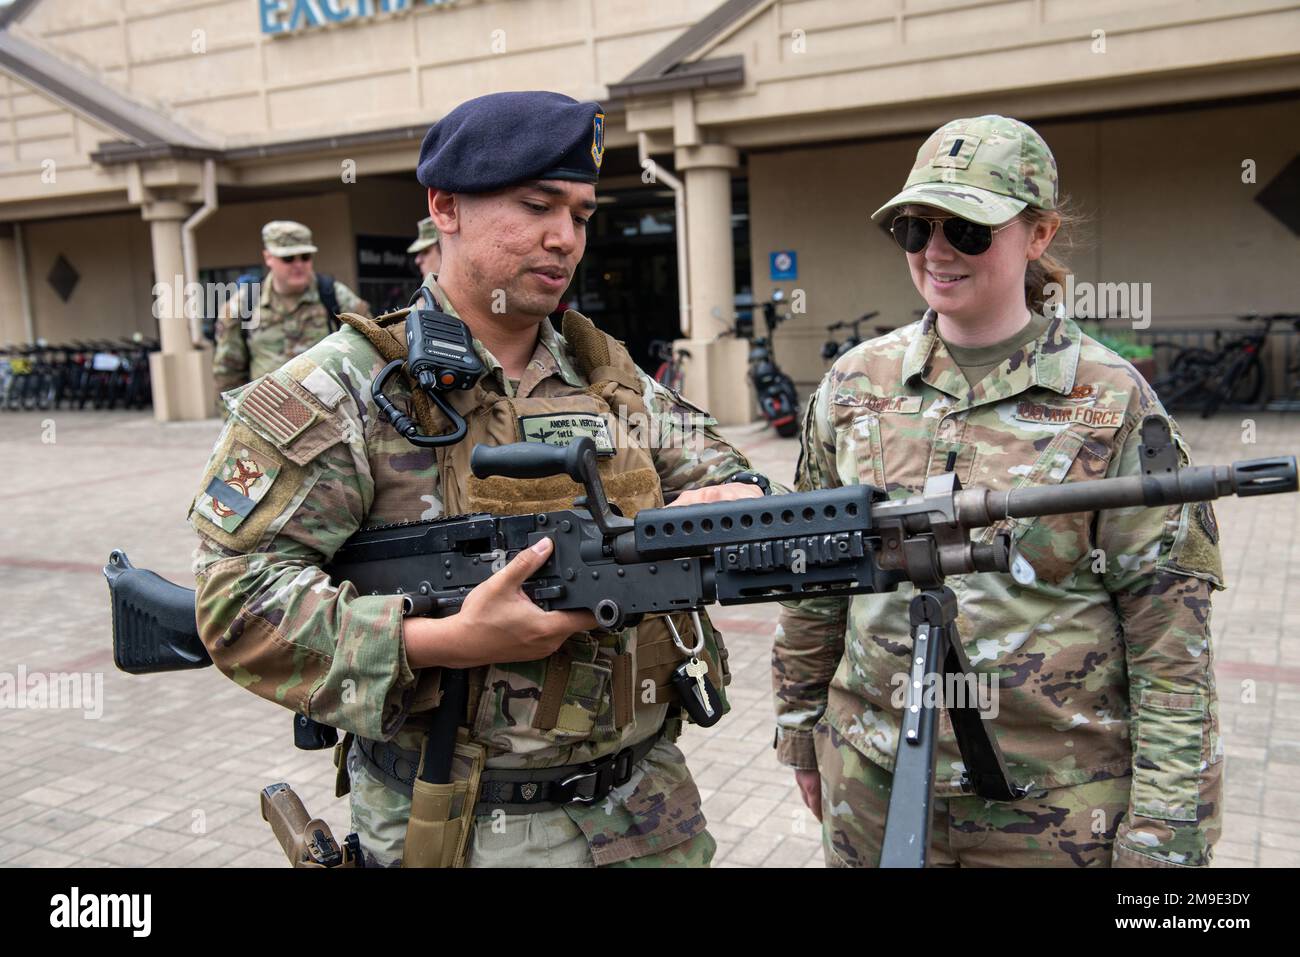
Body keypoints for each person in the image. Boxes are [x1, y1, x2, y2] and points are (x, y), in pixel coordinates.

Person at [189, 91, 766, 868]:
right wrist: (444, 640)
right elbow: (234, 599)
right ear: (444, 208)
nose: (564, 238)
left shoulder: (608, 374)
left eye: (582, 215)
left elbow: (722, 471)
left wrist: (739, 500)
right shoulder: (343, 390)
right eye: (536, 205)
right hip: (459, 825)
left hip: (646, 812)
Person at [773, 114, 1224, 868]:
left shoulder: (1111, 400)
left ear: (1039, 234)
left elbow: (1170, 637)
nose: (937, 251)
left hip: (1051, 808)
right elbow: (812, 580)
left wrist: (1168, 832)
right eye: (916, 228)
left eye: (969, 229)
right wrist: (800, 729)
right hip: (873, 783)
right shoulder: (854, 385)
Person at [211, 220, 370, 395]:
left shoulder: (336, 296)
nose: (298, 264)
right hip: (268, 412)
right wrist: (237, 418)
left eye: (305, 257)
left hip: (330, 410)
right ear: (268, 258)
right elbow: (227, 373)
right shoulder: (243, 304)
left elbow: (368, 350)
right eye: (288, 258)